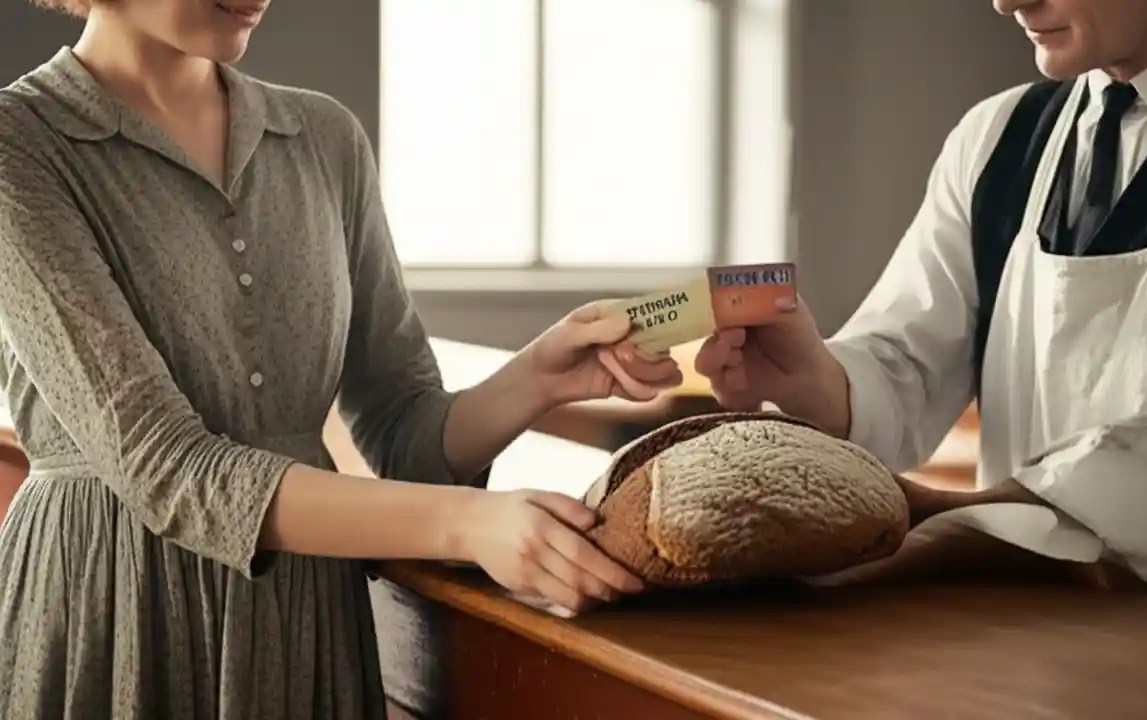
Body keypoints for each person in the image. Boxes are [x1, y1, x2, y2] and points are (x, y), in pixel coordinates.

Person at [0, 0, 683, 717]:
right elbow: (166, 467)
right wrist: (469, 524)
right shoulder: (21, 143)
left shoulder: (324, 138)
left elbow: (403, 434)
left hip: (304, 622)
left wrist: (538, 377)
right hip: (115, 609)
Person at [698, 0, 1147, 615]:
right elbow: (905, 366)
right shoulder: (998, 136)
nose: (1007, 2)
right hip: (1027, 637)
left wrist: (955, 518)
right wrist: (811, 377)